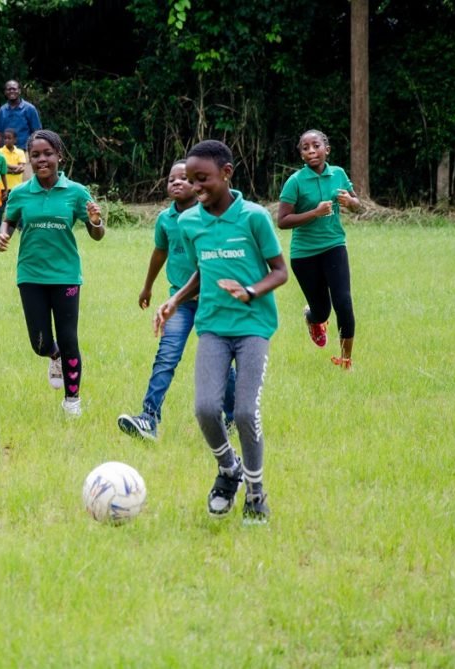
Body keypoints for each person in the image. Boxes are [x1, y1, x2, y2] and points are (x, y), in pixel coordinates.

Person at [155, 140, 288, 524]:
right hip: (212, 326)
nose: (196, 187)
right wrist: (176, 299)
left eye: (203, 179)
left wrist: (250, 291)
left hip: (252, 327)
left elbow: (280, 271)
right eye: (190, 180)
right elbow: (203, 271)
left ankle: (257, 492)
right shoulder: (189, 222)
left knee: (245, 412)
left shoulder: (253, 217)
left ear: (226, 174)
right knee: (206, 409)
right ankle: (229, 470)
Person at [117, 160, 236, 441]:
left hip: (212, 301)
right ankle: (148, 418)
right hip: (178, 303)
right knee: (166, 356)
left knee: (221, 364)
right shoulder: (165, 220)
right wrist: (147, 287)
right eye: (172, 179)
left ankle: (233, 417)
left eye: (184, 178)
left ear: (198, 184)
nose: (177, 183)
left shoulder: (209, 216)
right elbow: (160, 253)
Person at [0, 129, 104, 418]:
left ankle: (72, 401)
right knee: (40, 343)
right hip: (30, 275)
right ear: (29, 159)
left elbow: (97, 234)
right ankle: (53, 356)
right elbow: (9, 220)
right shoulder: (20, 193)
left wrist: (95, 221)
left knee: (69, 338)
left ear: (59, 156)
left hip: (66, 275)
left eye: (47, 154)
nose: (42, 159)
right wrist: (4, 234)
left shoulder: (76, 192)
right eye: (35, 155)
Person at [277, 129, 362, 370]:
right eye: (305, 148)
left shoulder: (339, 174)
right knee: (322, 310)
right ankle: (313, 318)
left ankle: (346, 360)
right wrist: (314, 213)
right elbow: (282, 221)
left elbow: (358, 206)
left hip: (334, 245)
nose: (311, 151)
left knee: (343, 301)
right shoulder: (295, 182)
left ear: (327, 149)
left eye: (316, 146)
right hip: (304, 255)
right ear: (301, 154)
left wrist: (352, 203)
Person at [0, 80, 41, 151]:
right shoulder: (2, 110)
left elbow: (36, 132)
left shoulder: (29, 108)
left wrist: (34, 149)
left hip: (24, 151)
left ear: (19, 91)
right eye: (9, 89)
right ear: (5, 92)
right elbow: (0, 134)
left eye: (14, 89)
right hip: (6, 151)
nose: (11, 91)